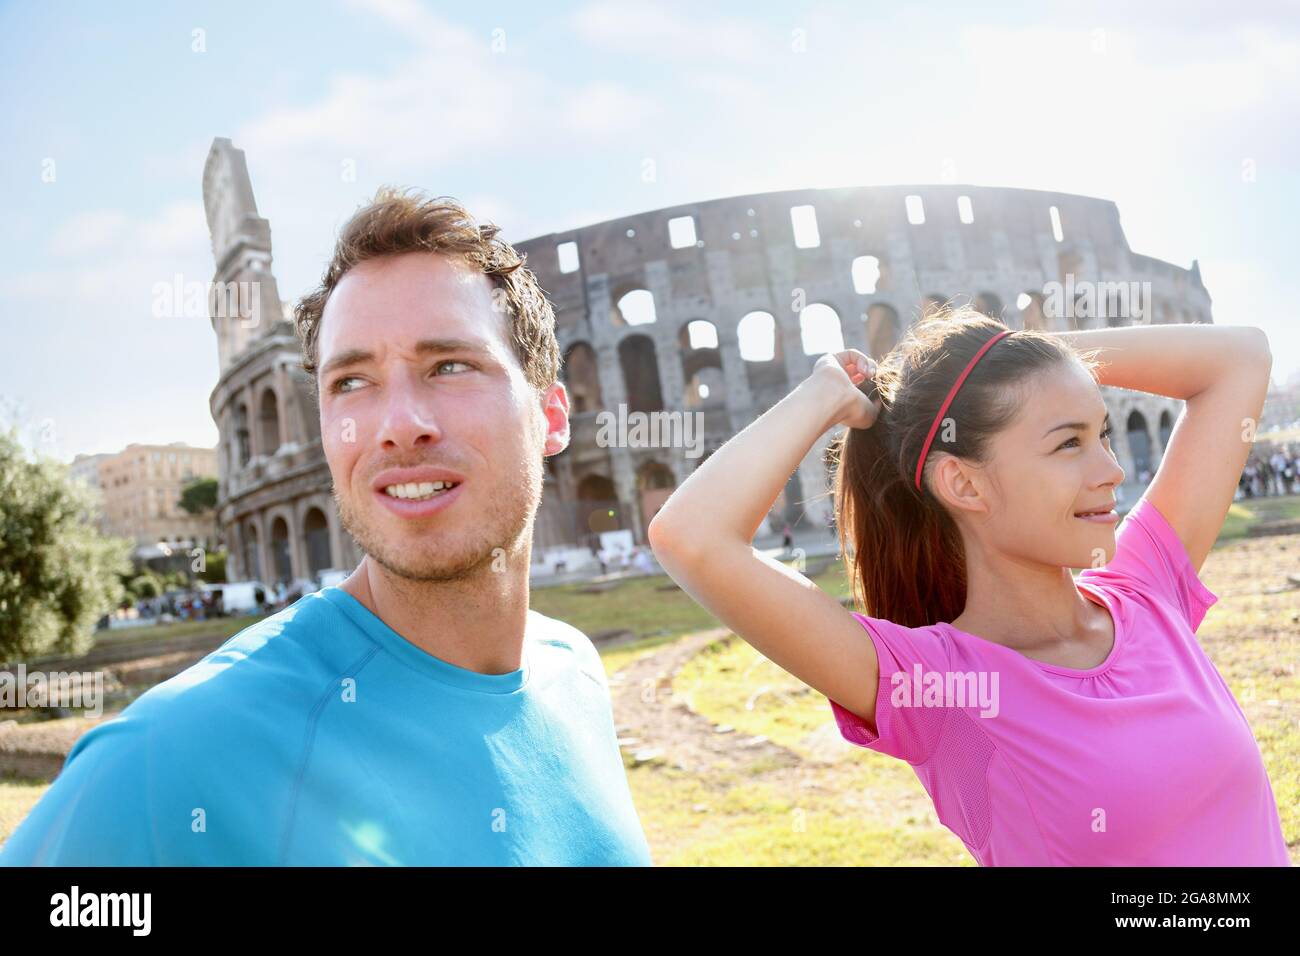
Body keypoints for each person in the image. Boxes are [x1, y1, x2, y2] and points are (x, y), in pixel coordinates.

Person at [1, 189, 651, 867]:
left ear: (551, 415)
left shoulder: (572, 671)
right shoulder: (168, 757)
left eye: (450, 366)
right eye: (351, 381)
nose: (399, 426)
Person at [649, 307, 1288, 866]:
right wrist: (824, 395)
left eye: (1103, 435)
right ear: (965, 484)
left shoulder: (1146, 591)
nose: (1113, 471)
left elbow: (1239, 357)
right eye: (1069, 443)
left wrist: (1010, 358)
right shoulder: (939, 687)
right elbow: (692, 537)